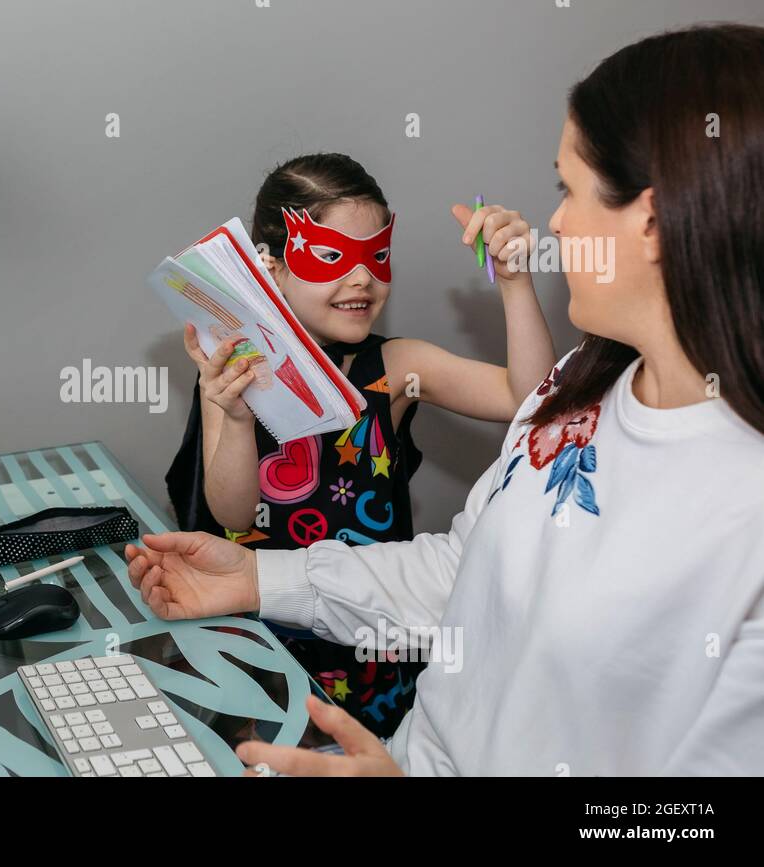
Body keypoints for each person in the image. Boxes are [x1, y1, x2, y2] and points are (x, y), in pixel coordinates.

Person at [138, 24, 764, 775]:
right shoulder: (573, 390)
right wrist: (255, 578)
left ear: (656, 221)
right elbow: (467, 572)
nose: (556, 220)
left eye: (569, 187)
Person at [166, 153, 556, 735]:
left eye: (377, 256)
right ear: (269, 269)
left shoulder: (395, 367)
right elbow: (233, 512)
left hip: (373, 640)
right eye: (330, 256)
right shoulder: (232, 371)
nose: (362, 279)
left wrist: (517, 282)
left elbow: (532, 401)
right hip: (264, 637)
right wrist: (237, 417)